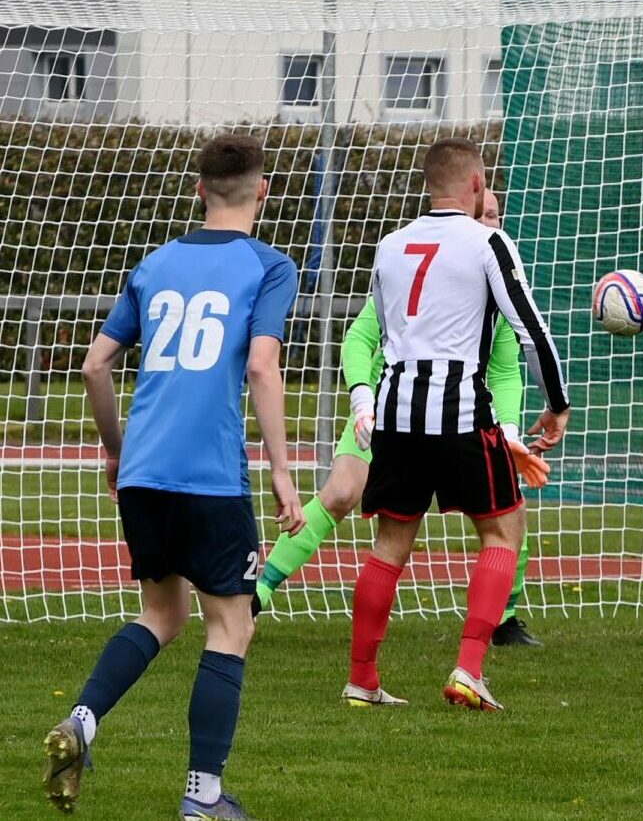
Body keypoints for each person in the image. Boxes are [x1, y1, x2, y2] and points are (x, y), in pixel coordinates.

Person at [43, 134, 304, 820]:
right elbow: (260, 367)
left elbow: (95, 366)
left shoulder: (156, 262)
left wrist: (114, 450)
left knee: (162, 613)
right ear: (263, 191)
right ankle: (203, 797)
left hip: (145, 471)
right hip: (210, 475)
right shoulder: (270, 265)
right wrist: (282, 472)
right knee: (231, 623)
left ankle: (82, 719)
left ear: (198, 191)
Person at [253, 189, 548, 652]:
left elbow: (507, 372)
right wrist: (362, 400)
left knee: (508, 508)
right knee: (342, 492)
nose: (490, 221)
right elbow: (358, 339)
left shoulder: (499, 285)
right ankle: (257, 592)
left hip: (456, 412)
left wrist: (509, 433)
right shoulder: (420, 269)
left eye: (495, 214)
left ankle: (504, 619)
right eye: (482, 213)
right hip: (386, 408)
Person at [344, 138, 570, 712]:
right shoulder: (488, 241)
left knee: (390, 544)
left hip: (396, 410)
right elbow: (531, 330)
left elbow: (387, 331)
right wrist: (557, 402)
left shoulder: (391, 245)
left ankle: (362, 679)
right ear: (476, 185)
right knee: (502, 529)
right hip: (462, 409)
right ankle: (469, 669)